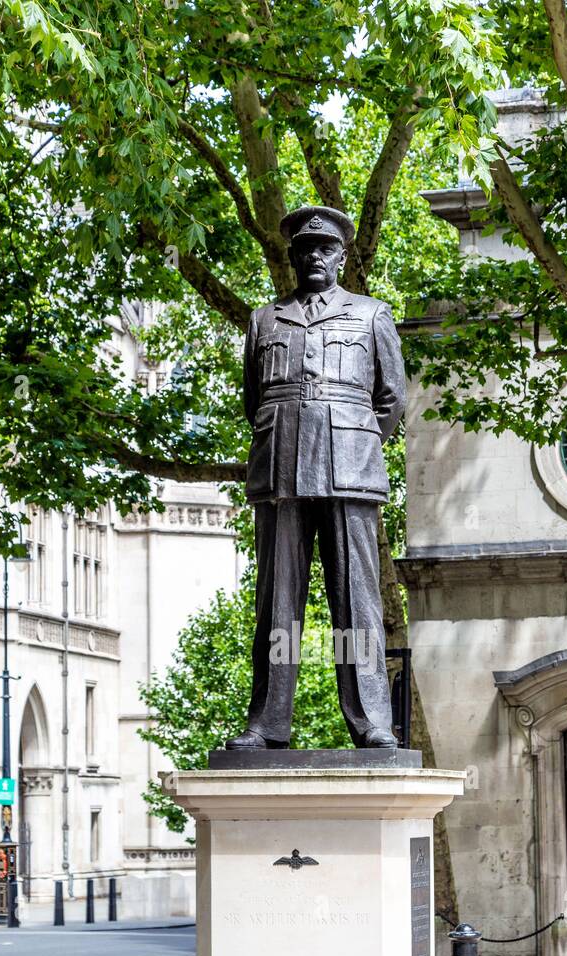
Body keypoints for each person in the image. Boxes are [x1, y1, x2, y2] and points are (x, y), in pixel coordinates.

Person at [227, 205, 407, 750]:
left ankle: (372, 720)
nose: (314, 258)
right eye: (305, 250)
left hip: (349, 466)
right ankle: (267, 722)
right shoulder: (265, 320)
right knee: (276, 601)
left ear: (341, 256)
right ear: (293, 258)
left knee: (357, 599)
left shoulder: (371, 315)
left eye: (325, 250)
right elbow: (252, 399)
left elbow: (392, 400)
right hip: (281, 465)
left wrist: (349, 437)